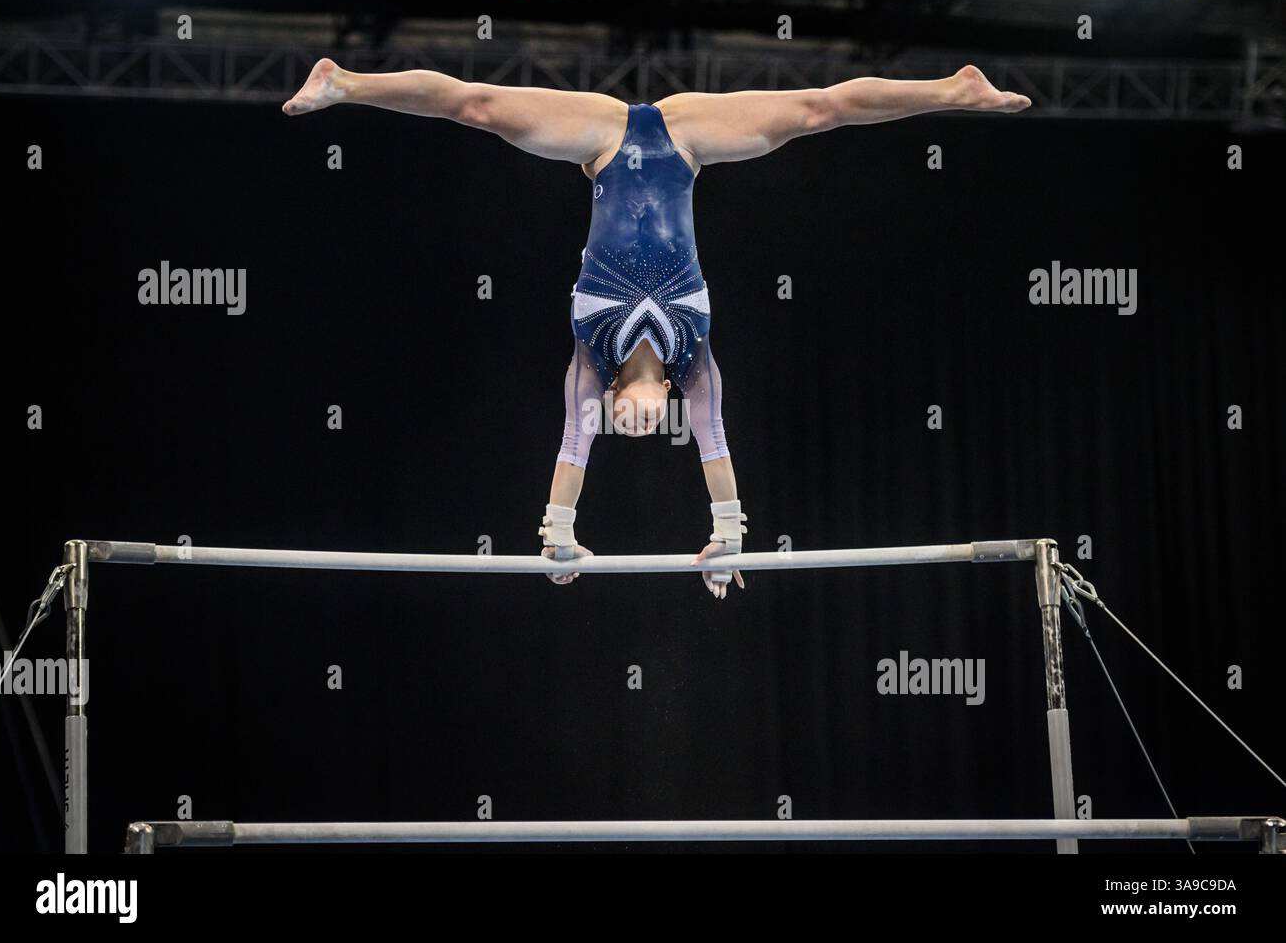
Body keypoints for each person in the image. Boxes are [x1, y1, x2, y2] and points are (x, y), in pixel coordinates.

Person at [283, 60, 1031, 599]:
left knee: (475, 106)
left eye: (624, 426)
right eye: (651, 426)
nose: (635, 424)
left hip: (601, 139)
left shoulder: (587, 362)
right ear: (667, 395)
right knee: (814, 112)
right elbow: (717, 445)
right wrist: (728, 540)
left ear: (612, 405)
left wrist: (559, 536)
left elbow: (570, 450)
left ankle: (344, 82)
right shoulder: (695, 362)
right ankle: (955, 90)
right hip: (687, 141)